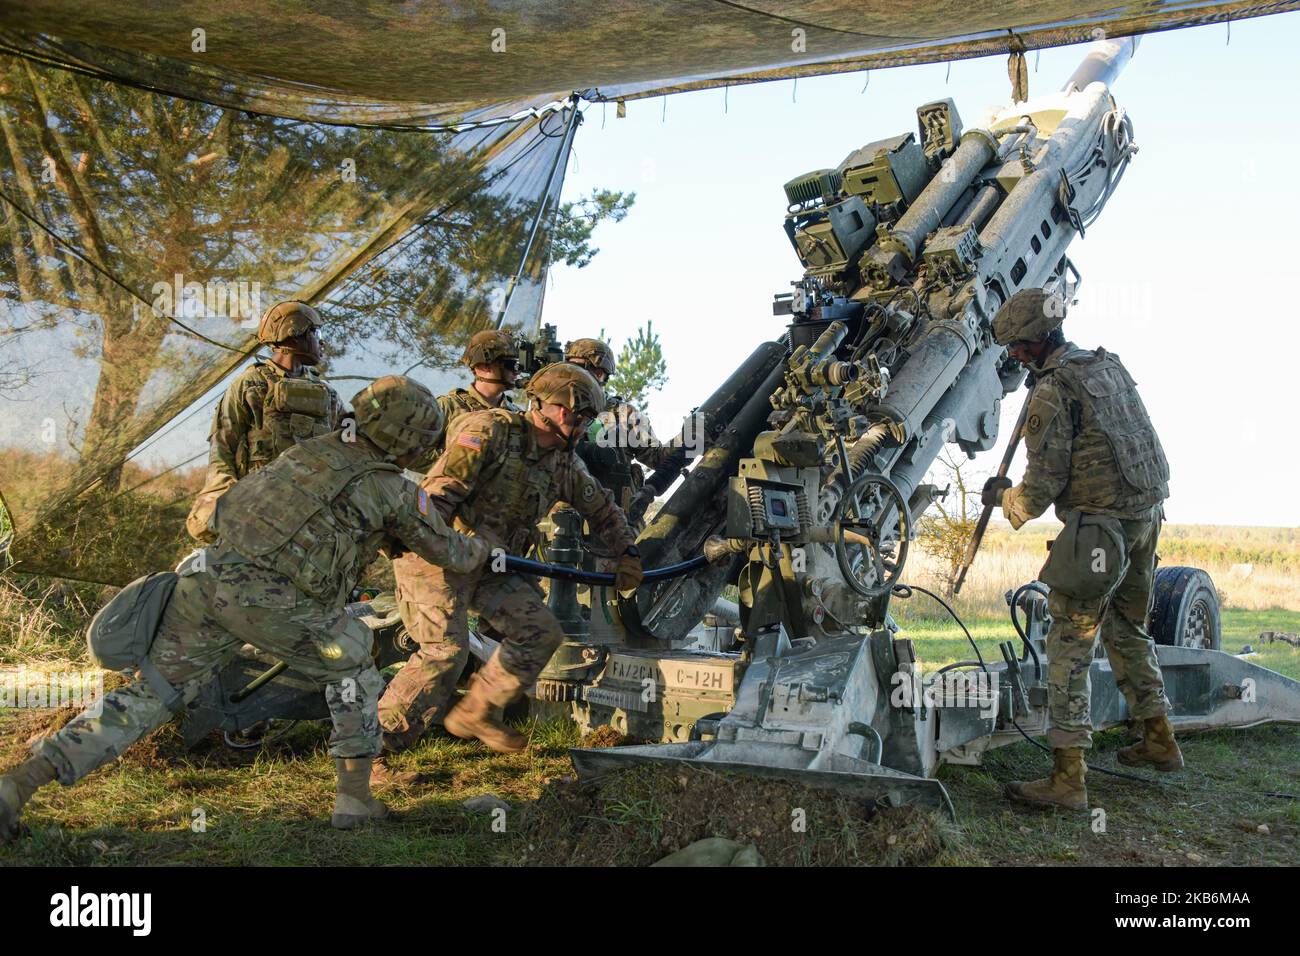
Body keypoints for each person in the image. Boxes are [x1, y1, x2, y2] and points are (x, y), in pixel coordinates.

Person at [0, 377, 487, 841]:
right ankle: (356, 799)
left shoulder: (306, 452)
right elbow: (450, 551)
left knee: (150, 696)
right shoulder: (394, 490)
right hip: (278, 604)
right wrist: (489, 552)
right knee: (356, 667)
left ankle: (22, 782)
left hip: (207, 583)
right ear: (409, 439)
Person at [981, 288, 1181, 812]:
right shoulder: (1104, 366)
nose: (1015, 357)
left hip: (1100, 531)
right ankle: (1160, 739)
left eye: (1016, 349)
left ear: (1027, 345)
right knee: (1128, 629)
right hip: (1145, 517)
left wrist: (1002, 497)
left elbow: (1039, 490)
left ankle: (1069, 780)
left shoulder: (1051, 390)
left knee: (1070, 643)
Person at [378, 362, 642, 754]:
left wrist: (627, 552)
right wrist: (439, 551)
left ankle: (476, 712)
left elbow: (601, 508)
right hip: (436, 556)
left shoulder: (563, 461)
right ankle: (373, 752)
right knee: (446, 652)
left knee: (540, 632)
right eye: (584, 416)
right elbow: (437, 497)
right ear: (562, 410)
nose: (586, 426)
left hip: (490, 564)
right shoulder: (488, 431)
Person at [187, 300, 346, 542]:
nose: (321, 342)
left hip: (310, 515)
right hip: (258, 511)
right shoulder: (250, 383)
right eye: (316, 332)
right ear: (294, 333)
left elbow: (347, 449)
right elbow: (222, 447)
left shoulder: (326, 393)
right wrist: (228, 502)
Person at [565, 337, 678, 528]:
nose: (584, 376)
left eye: (596, 372)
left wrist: (691, 437)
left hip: (615, 523)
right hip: (562, 521)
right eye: (574, 368)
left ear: (603, 375)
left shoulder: (624, 414)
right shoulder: (552, 409)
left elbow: (658, 458)